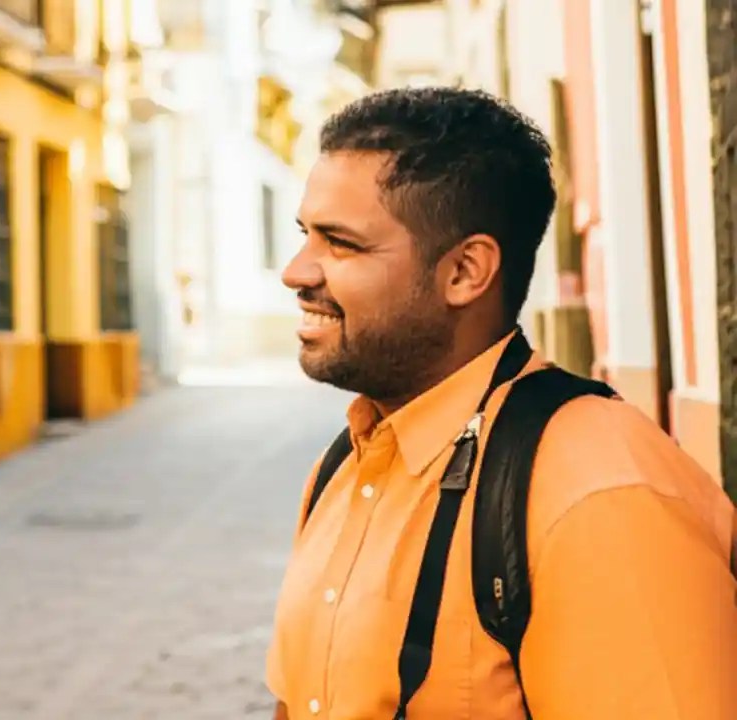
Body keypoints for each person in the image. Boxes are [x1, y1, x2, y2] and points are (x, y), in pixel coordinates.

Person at [267, 87, 737, 720]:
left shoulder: (600, 492)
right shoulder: (343, 469)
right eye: (305, 234)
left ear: (464, 272)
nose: (297, 271)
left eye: (341, 243)